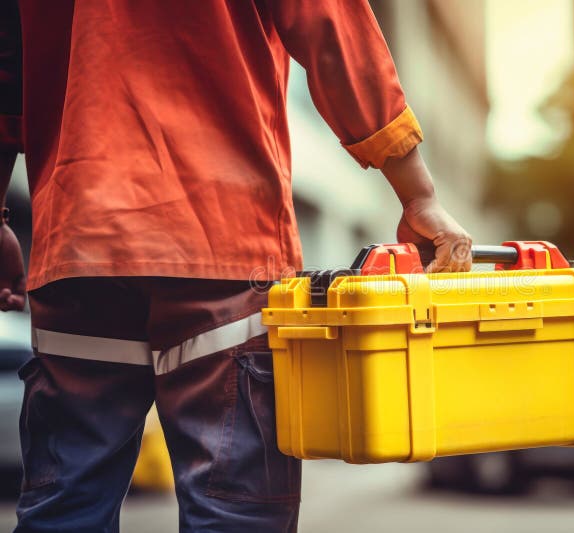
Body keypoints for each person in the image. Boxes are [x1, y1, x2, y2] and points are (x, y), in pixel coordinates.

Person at [0, 1, 472, 531]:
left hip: (80, 241)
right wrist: (418, 195)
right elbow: (333, 28)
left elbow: (7, 69)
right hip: (220, 239)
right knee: (235, 511)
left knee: (65, 507)